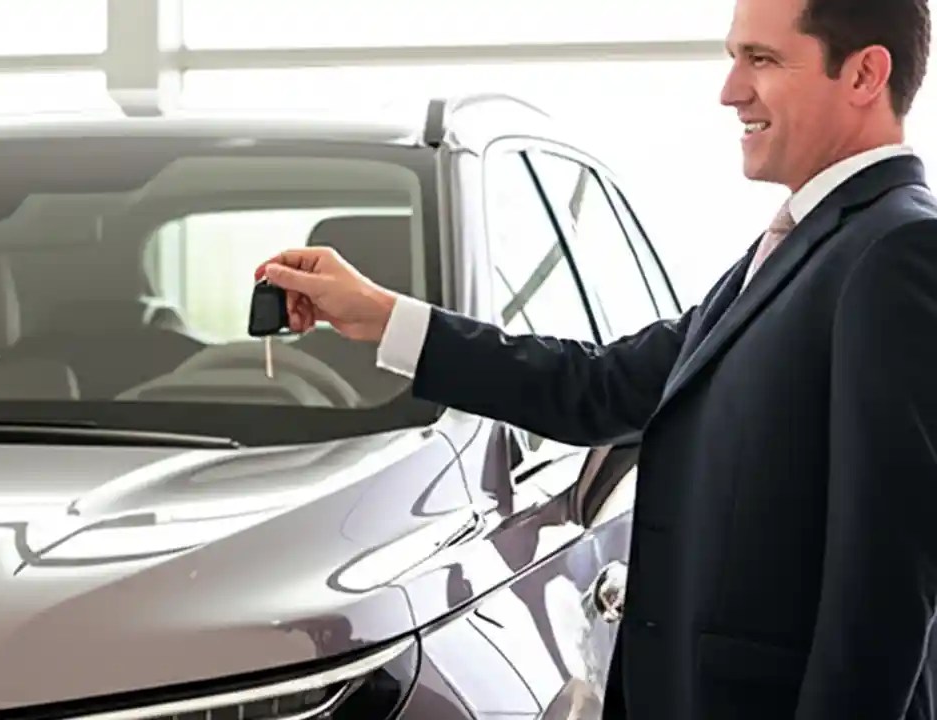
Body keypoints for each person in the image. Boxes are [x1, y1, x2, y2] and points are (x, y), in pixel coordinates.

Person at [254, 0, 937, 717]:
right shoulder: (797, 248)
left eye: (761, 60)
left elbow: (885, 586)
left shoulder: (897, 254)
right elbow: (600, 387)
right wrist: (381, 315)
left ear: (865, 73)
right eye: (734, 57)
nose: (729, 90)